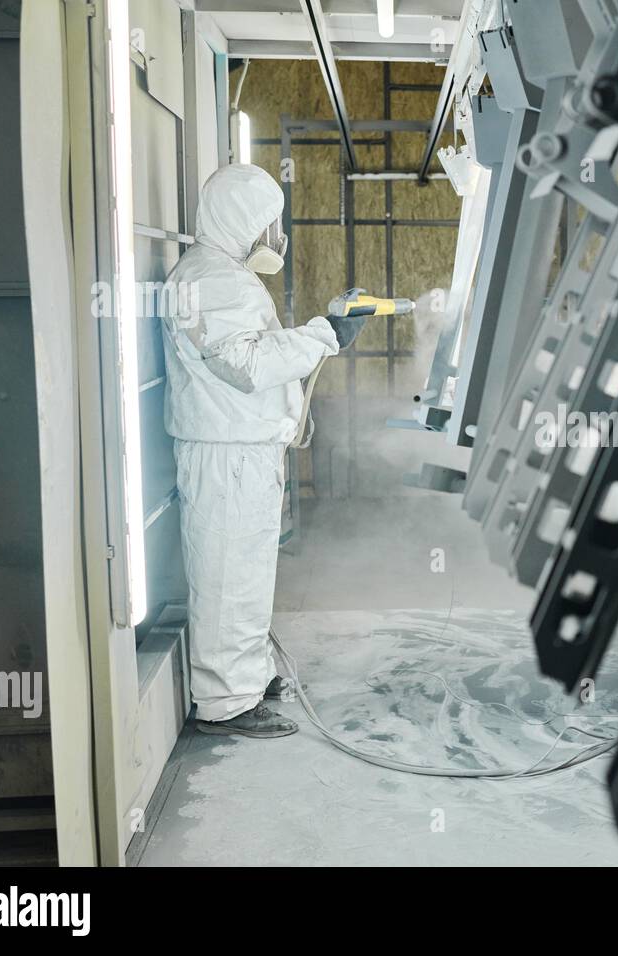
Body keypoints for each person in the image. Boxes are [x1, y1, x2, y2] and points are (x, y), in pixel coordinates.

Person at [161, 163, 339, 738]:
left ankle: (249, 676)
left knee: (246, 572)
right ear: (244, 220)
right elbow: (246, 364)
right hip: (228, 455)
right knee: (228, 576)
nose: (275, 237)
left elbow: (248, 354)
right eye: (269, 223)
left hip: (239, 448)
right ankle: (225, 702)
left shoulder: (219, 274)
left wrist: (290, 413)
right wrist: (321, 336)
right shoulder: (214, 280)